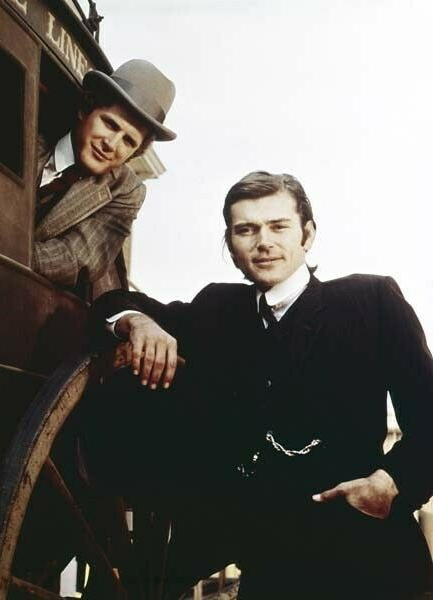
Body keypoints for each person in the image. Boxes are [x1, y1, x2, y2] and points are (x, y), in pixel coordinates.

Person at [90, 172, 433, 599]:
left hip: (367, 561)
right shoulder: (217, 309)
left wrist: (391, 484)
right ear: (231, 246)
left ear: (307, 234)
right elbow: (114, 303)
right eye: (246, 230)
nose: (263, 242)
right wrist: (137, 323)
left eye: (278, 226)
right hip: (268, 568)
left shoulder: (371, 301)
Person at [34, 59, 176, 299]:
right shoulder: (33, 124)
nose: (111, 144)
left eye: (128, 141)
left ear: (135, 153)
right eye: (110, 124)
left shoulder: (127, 190)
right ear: (85, 109)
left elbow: (76, 258)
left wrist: (8, 247)